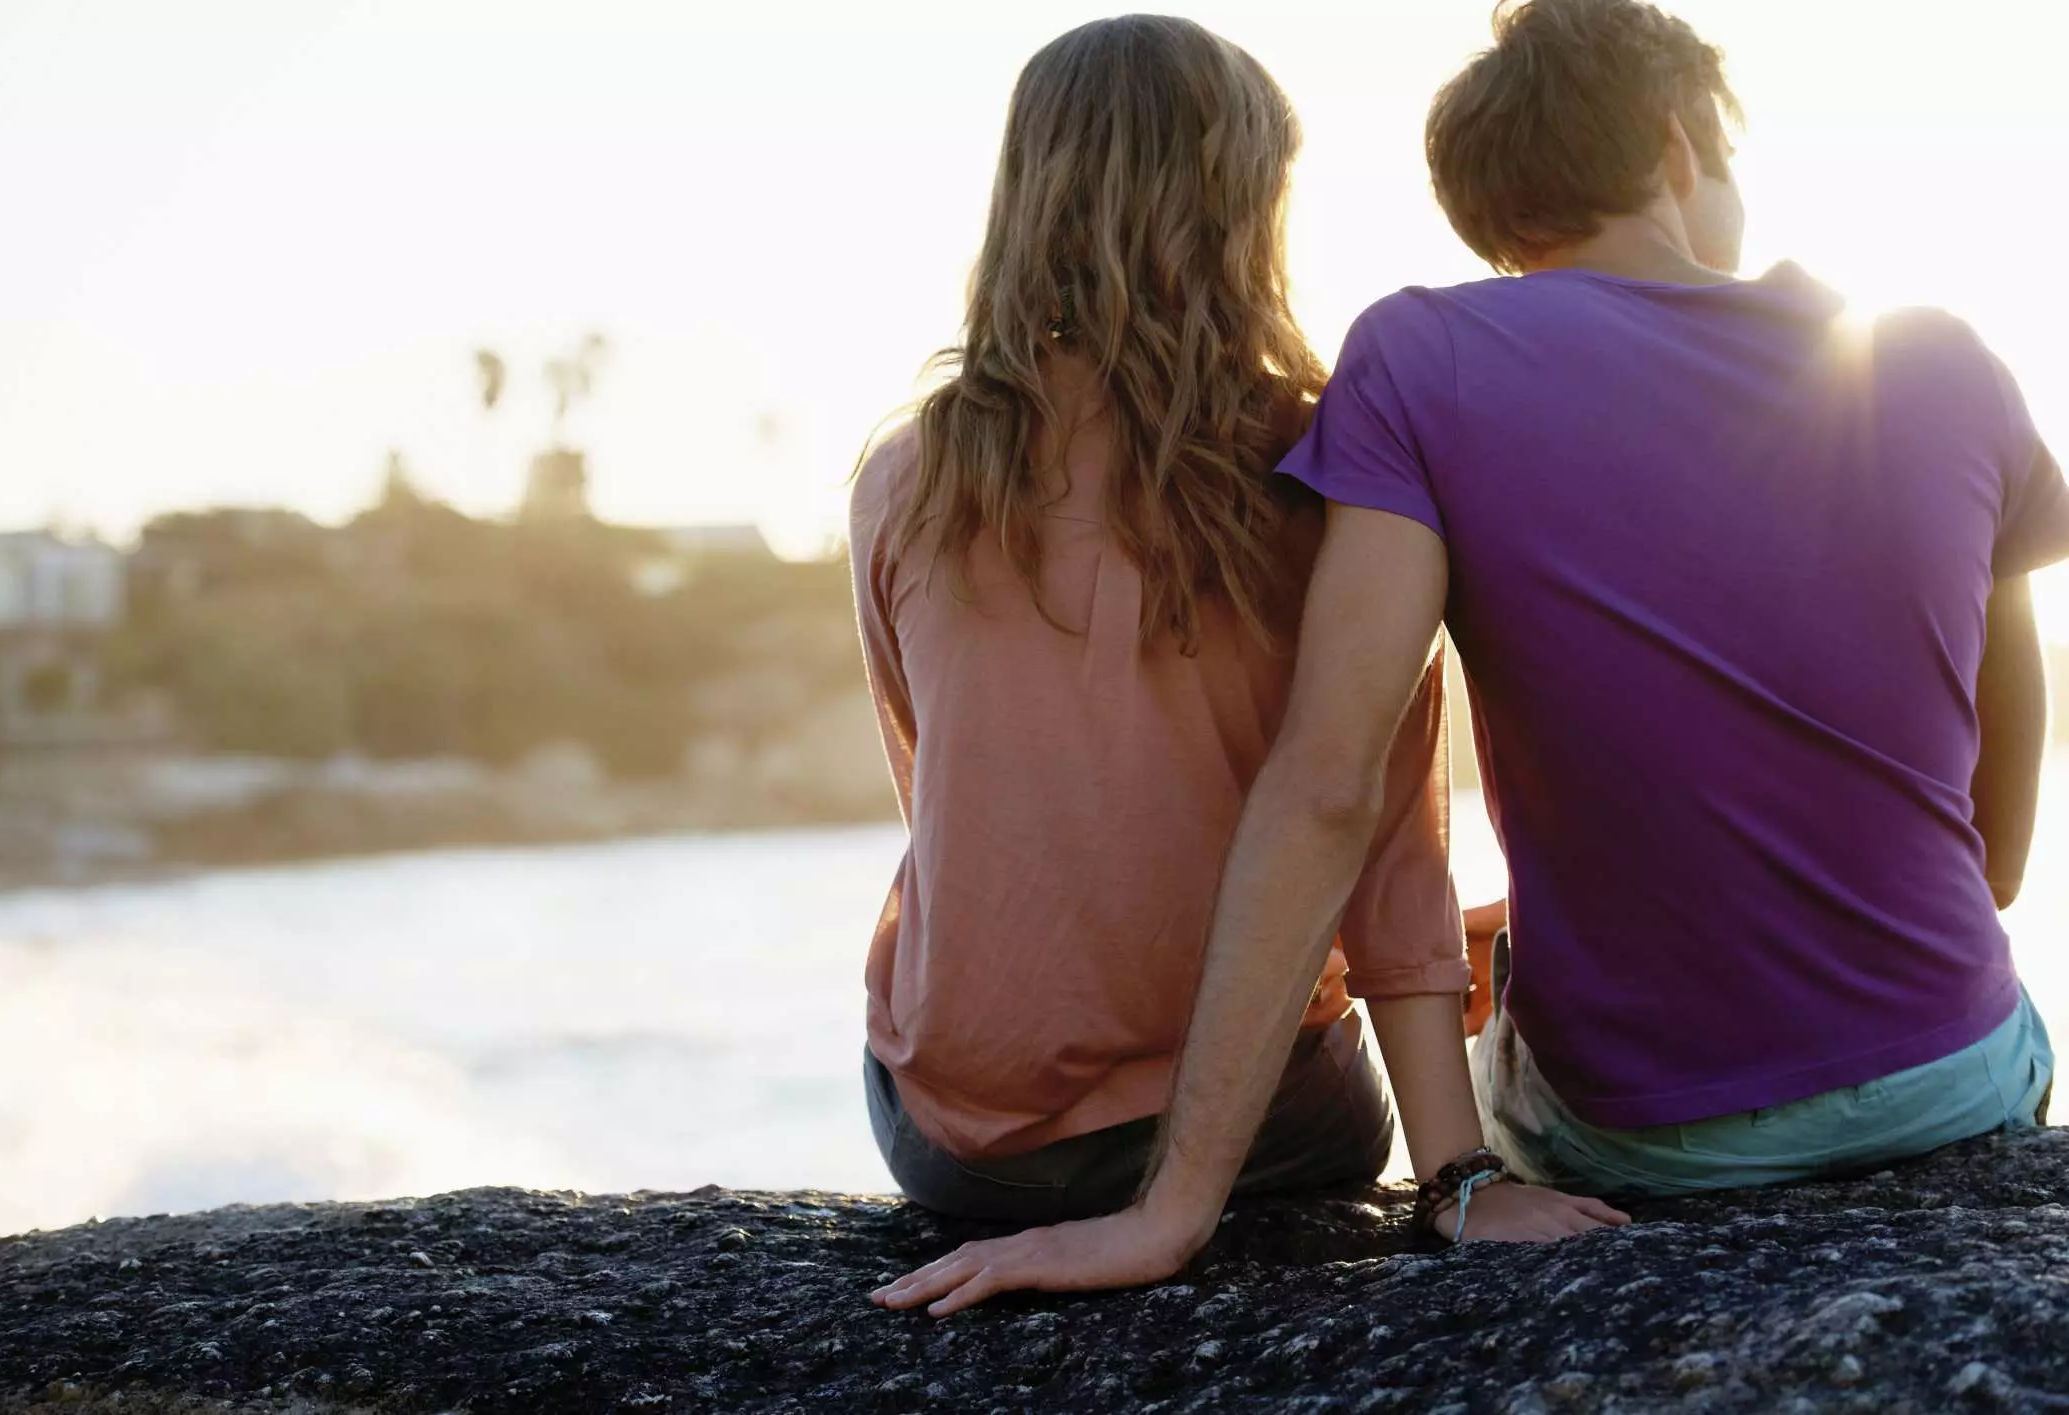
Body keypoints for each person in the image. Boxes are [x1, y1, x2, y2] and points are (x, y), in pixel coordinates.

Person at [876, 0, 2066, 1316]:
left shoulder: (1405, 364)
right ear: (1679, 150)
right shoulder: (1932, 349)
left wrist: (1175, 1204)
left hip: (984, 1131)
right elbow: (1994, 852)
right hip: (1948, 1075)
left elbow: (1064, 791)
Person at [847, 15, 1469, 1227]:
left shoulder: (908, 475)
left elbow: (956, 798)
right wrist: (1459, 1174)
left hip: (962, 1143)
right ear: (1250, 207)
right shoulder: (1337, 469)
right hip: (1265, 1126)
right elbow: (1380, 838)